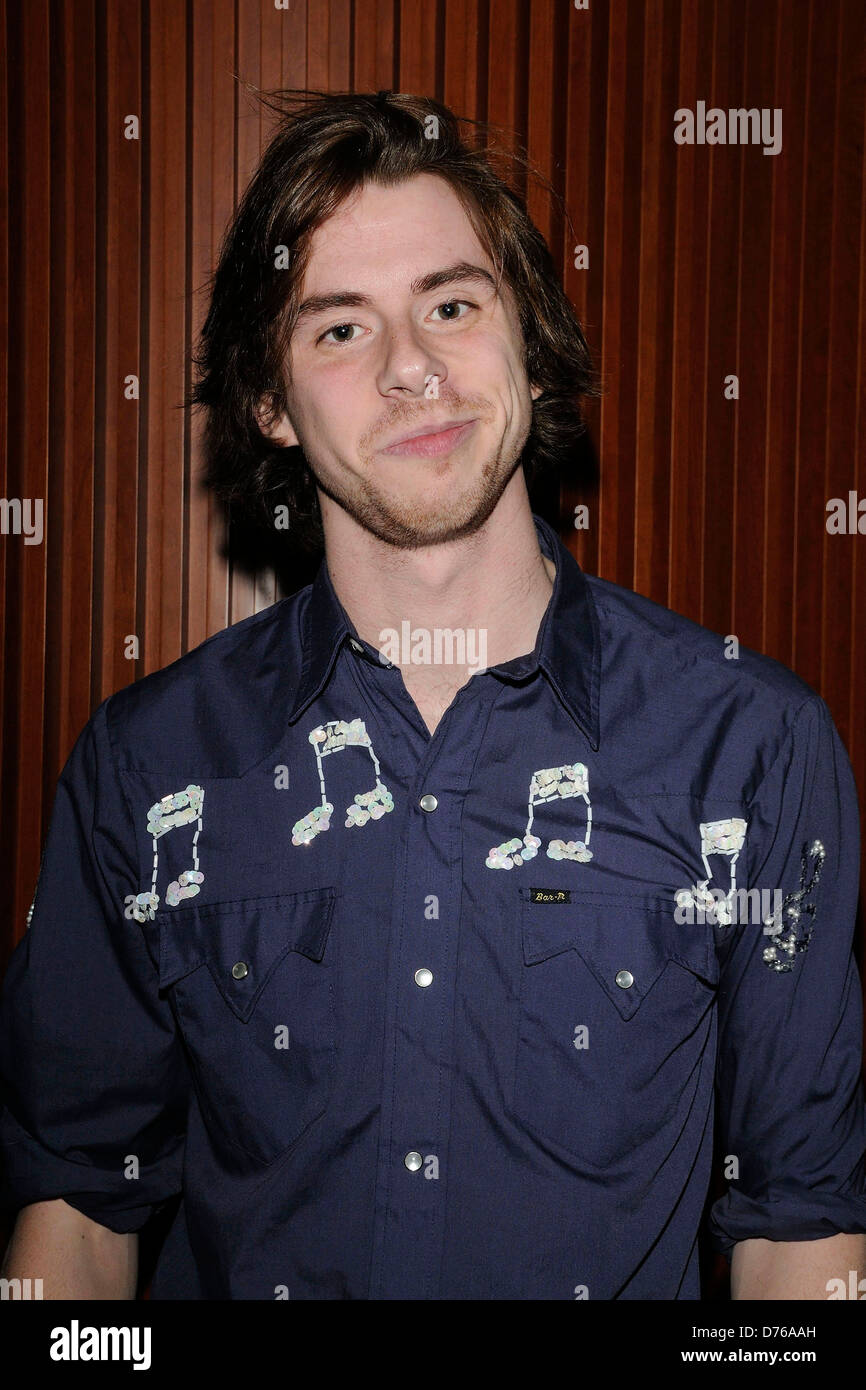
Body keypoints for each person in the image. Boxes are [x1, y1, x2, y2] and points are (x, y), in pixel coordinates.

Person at [2, 90, 865, 1301]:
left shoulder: (751, 750)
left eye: (451, 305)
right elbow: (79, 1215)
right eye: (339, 331)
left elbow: (797, 1236)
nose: (413, 368)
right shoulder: (147, 768)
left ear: (527, 338)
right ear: (269, 405)